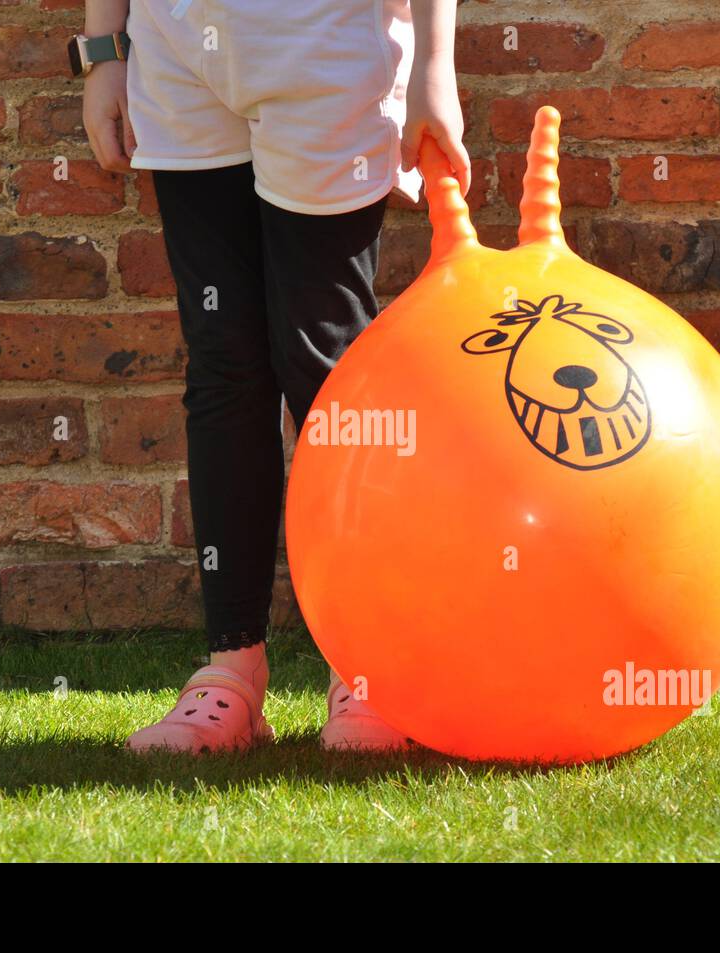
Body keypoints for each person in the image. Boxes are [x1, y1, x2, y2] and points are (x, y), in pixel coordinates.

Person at [77, 0, 469, 753]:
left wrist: (433, 66)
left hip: (324, 45)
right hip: (178, 48)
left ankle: (366, 667)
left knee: (326, 366)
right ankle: (232, 671)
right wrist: (105, 53)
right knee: (223, 362)